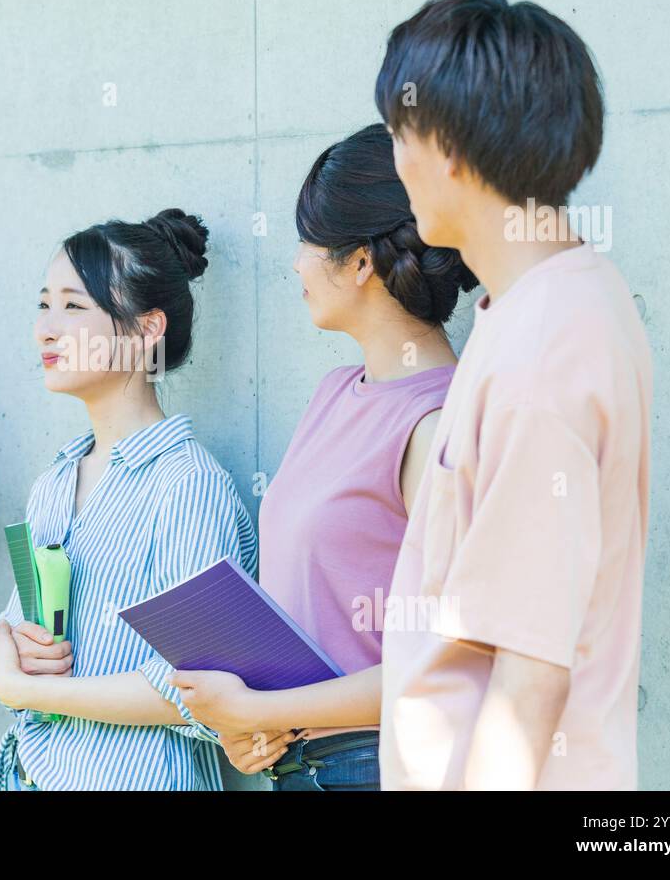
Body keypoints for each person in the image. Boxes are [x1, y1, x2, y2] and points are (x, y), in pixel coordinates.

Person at [372, 0, 652, 789]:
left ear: (449, 150)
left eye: (401, 133)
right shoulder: (553, 305)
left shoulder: (544, 350)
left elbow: (529, 682)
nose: (397, 161)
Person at [171, 124, 477, 791]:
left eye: (308, 243)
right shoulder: (334, 393)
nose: (297, 263)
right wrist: (252, 728)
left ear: (361, 262)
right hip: (299, 767)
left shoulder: (438, 423)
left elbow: (449, 660)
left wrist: (262, 711)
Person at [0, 209, 258, 790]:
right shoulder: (54, 482)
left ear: (148, 328)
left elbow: (197, 686)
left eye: (74, 307)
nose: (46, 330)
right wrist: (7, 653)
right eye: (44, 304)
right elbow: (14, 635)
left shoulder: (185, 483)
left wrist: (25, 688)